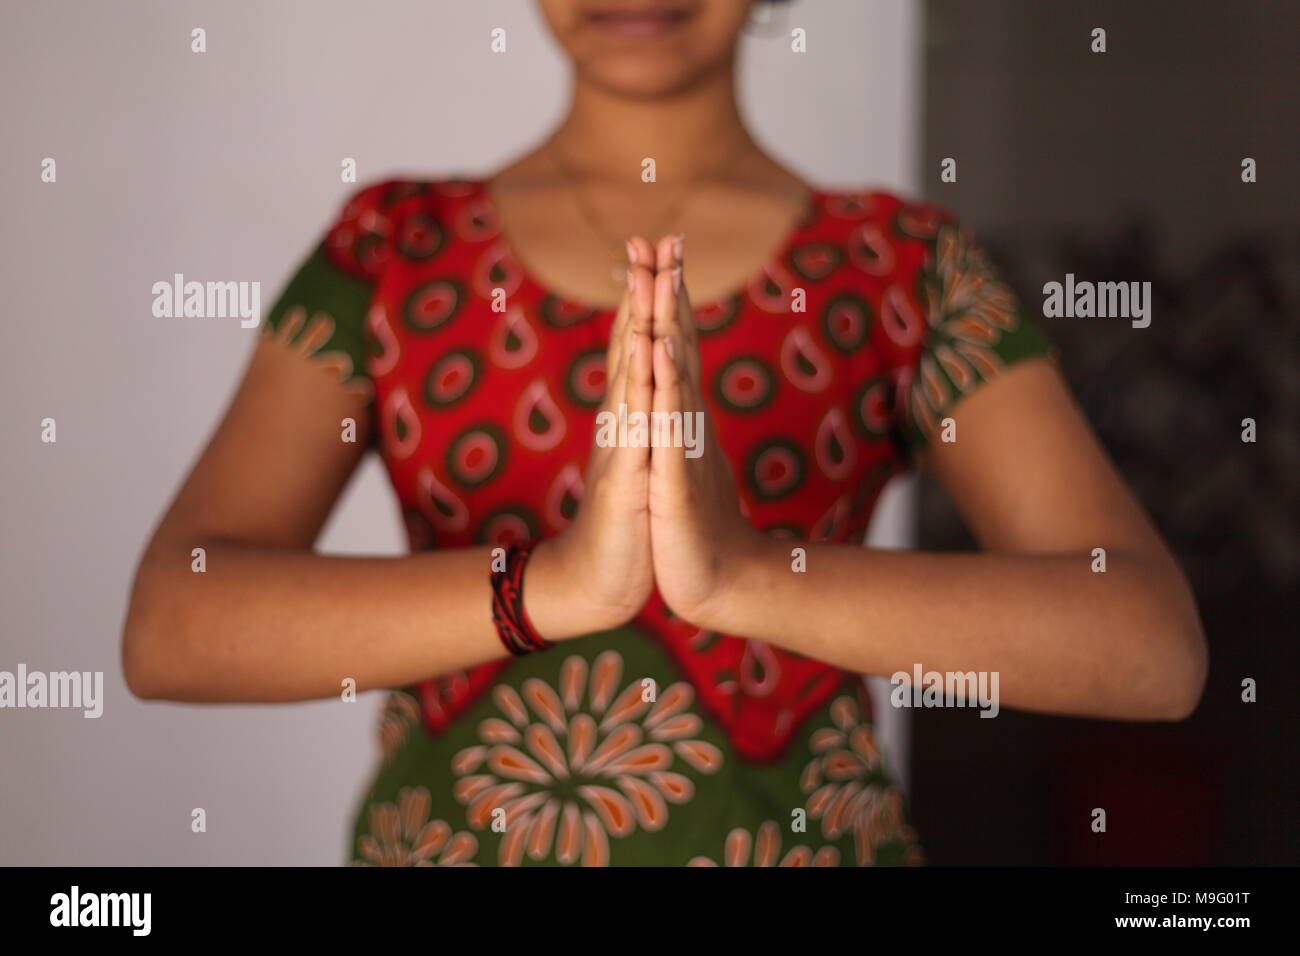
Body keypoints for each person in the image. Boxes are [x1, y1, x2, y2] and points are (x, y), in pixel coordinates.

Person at [123, 0, 1206, 866]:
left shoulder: (902, 263)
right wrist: (552, 585)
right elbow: (176, 620)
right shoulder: (393, 247)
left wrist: (743, 574)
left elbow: (1148, 646)